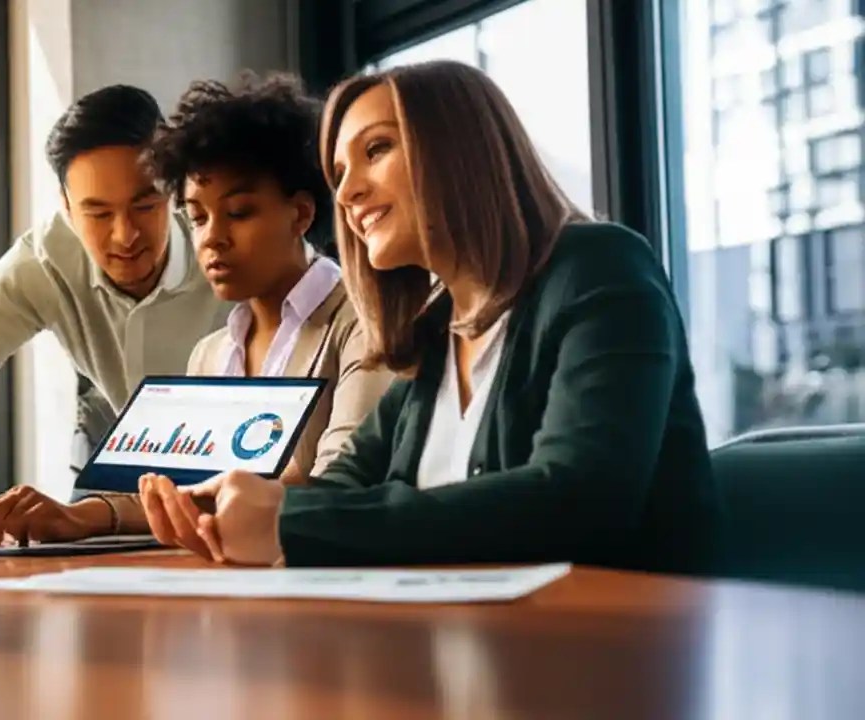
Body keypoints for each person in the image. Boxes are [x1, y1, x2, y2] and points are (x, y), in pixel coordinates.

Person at [139, 61, 723, 575]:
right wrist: (220, 514)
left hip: (616, 643)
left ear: (460, 150)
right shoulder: (435, 334)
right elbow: (344, 488)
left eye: (376, 151)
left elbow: (580, 499)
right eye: (339, 173)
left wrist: (288, 520)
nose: (347, 193)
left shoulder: (601, 267)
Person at [0, 74, 395, 548]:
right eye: (197, 217)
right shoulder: (210, 353)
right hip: (220, 577)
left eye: (238, 213)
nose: (211, 238)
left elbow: (338, 486)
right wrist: (80, 516)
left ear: (300, 214)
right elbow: (178, 494)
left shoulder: (362, 323)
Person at [0, 84, 229, 547]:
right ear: (66, 206)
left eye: (145, 205)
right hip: (117, 450)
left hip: (239, 461)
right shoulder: (48, 257)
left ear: (174, 191)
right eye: (98, 213)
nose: (124, 236)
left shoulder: (225, 243)